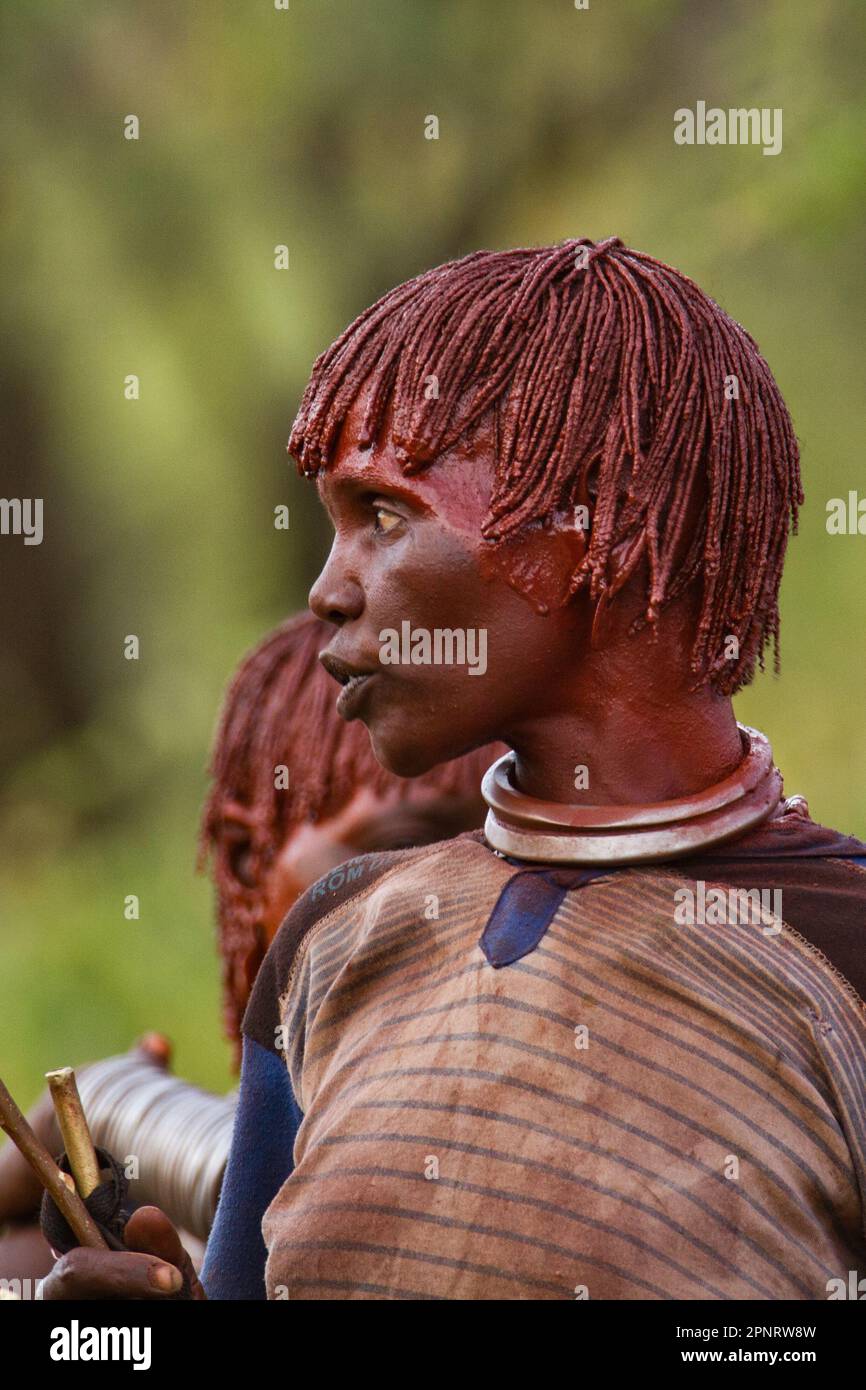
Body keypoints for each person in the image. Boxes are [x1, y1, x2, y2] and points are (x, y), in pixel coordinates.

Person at [41, 237, 866, 1301]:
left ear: (587, 528)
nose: (327, 593)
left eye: (384, 515)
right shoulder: (335, 943)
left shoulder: (837, 958)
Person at [0, 613, 497, 1288]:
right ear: (247, 859)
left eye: (507, 861)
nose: (471, 901)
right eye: (407, 847)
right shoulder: (66, 1261)